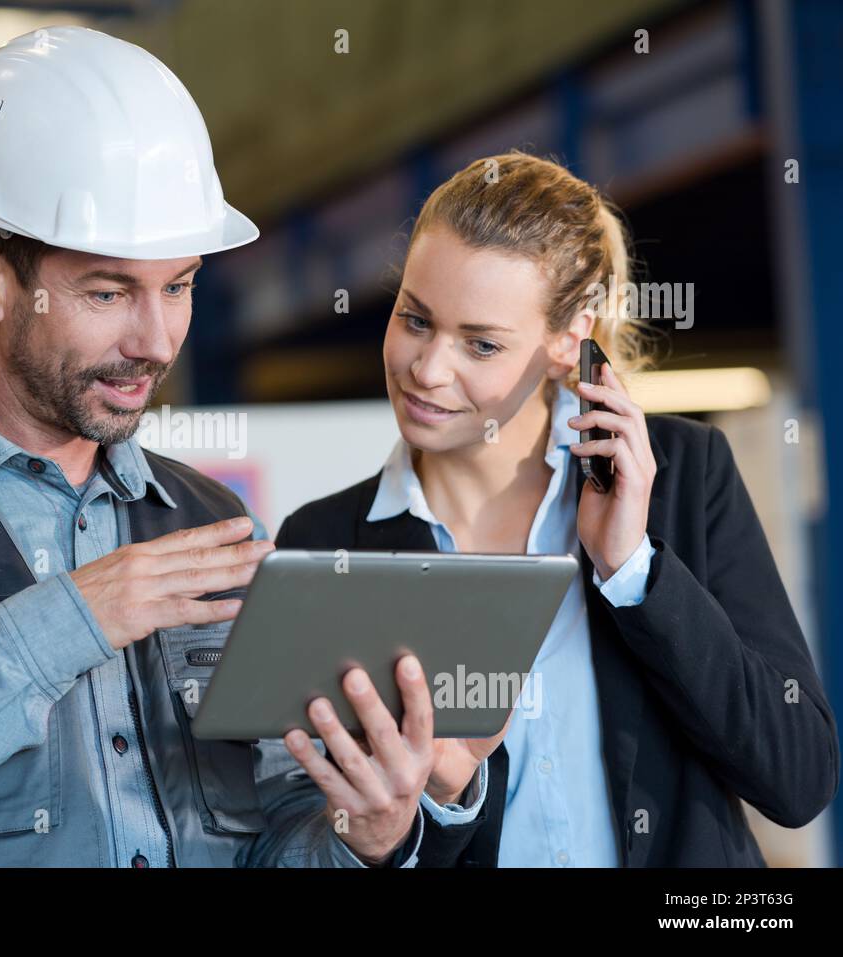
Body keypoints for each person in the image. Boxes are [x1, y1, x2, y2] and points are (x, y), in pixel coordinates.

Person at [0, 25, 475, 868]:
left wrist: (364, 836)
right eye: (110, 290)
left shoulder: (209, 520)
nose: (156, 340)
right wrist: (70, 620)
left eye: (179, 286)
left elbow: (273, 825)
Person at [274, 151, 839, 866]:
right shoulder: (324, 542)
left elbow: (798, 776)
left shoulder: (685, 480)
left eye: (480, 343)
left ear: (570, 337)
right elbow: (311, 837)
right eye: (415, 319)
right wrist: (438, 803)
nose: (428, 368)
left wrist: (634, 569)